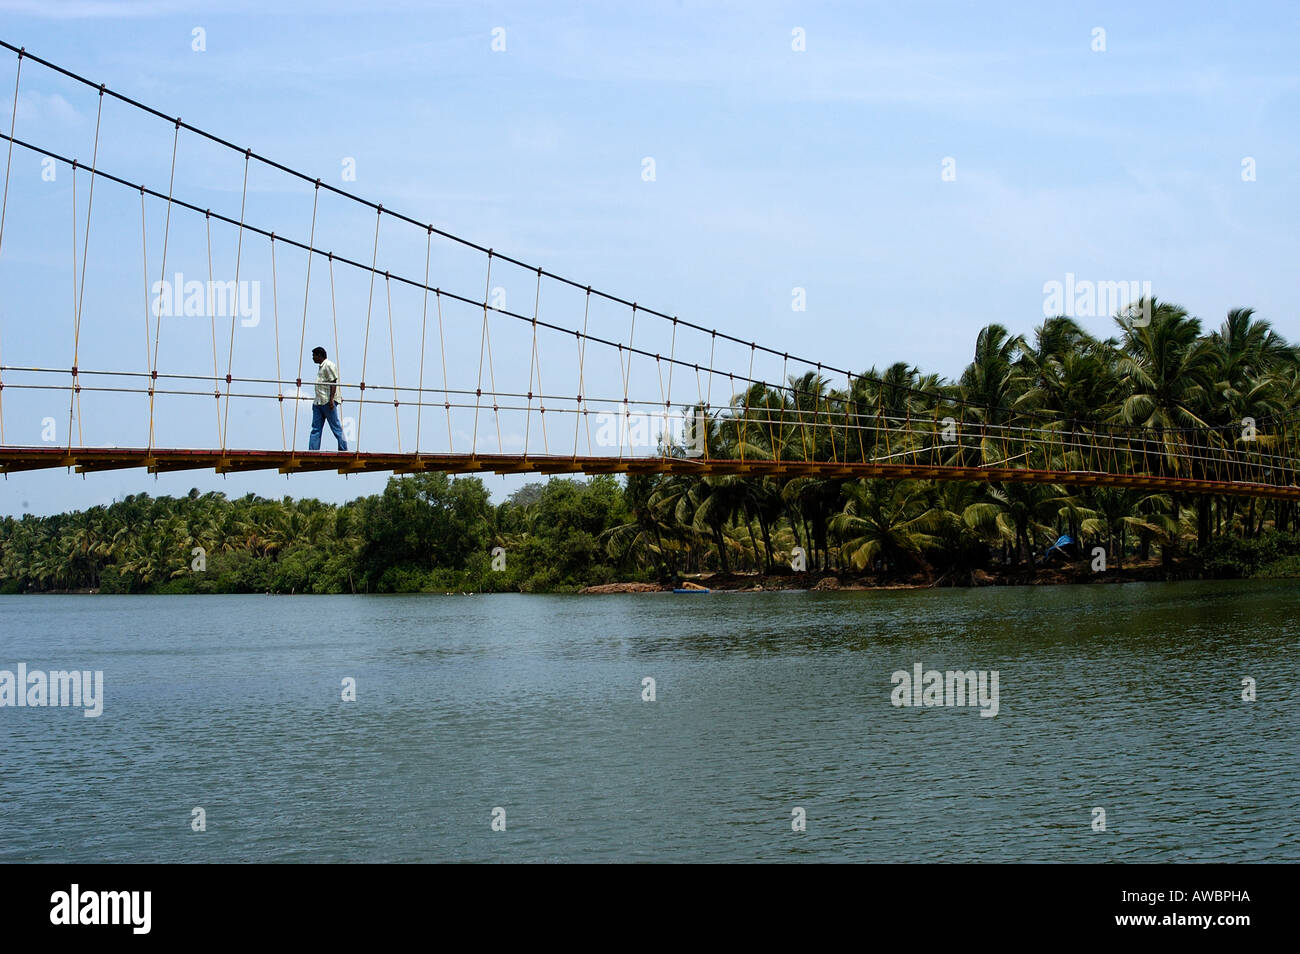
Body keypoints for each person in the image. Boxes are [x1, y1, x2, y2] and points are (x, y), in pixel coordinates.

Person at [308, 346, 348, 450]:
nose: (313, 358)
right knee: (315, 428)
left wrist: (331, 400)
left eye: (314, 355)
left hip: (327, 401)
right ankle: (313, 451)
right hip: (318, 402)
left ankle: (343, 449)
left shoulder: (329, 365)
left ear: (319, 355)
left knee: (336, 427)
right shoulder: (322, 366)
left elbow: (333, 382)